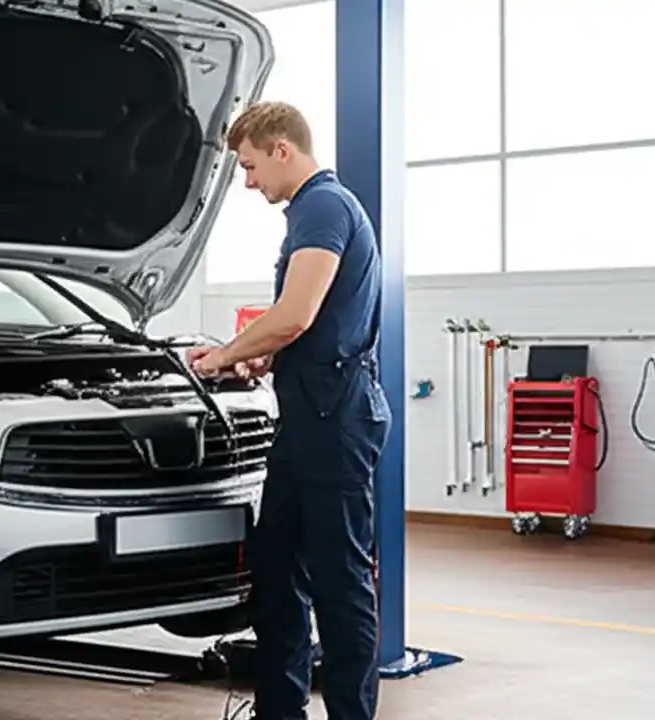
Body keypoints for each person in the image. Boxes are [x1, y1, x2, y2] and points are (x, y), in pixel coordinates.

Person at [188, 101, 391, 720]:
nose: (249, 182)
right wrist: (265, 358)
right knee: (276, 569)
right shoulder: (312, 210)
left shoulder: (324, 206)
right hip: (306, 415)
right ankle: (280, 709)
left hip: (337, 418)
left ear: (283, 150)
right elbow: (311, 325)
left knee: (340, 583)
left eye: (250, 167)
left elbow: (297, 313)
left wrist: (226, 355)